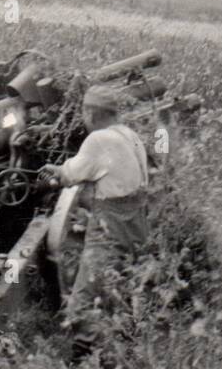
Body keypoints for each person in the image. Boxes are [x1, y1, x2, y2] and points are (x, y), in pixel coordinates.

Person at [40, 85, 150, 355]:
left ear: (91, 112)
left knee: (82, 301)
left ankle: (85, 362)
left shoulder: (99, 140)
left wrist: (53, 172)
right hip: (136, 226)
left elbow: (70, 175)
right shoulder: (130, 135)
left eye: (84, 113)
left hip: (110, 229)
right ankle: (127, 352)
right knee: (119, 293)